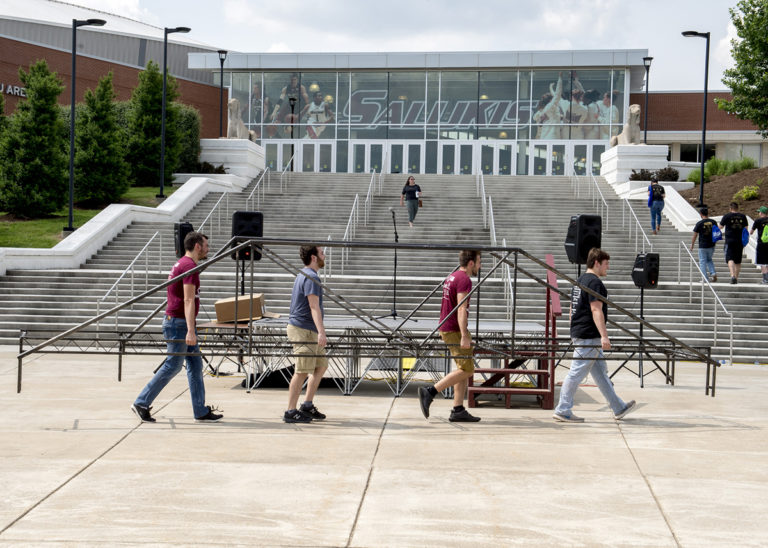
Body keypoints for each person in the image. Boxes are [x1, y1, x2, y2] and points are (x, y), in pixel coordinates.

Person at [131, 232, 222, 423]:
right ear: (197, 246)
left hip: (180, 322)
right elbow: (189, 299)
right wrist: (190, 330)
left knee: (195, 366)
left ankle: (200, 410)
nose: (208, 248)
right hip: (179, 324)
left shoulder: (182, 264)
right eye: (206, 245)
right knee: (173, 366)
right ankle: (141, 402)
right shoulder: (189, 266)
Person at [553, 248, 636, 423]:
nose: (608, 267)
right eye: (606, 264)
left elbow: (572, 309)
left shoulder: (579, 281)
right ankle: (563, 409)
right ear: (596, 263)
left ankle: (618, 407)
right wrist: (604, 336)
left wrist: (573, 329)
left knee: (600, 374)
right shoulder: (594, 283)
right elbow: (596, 309)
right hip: (589, 335)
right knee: (576, 373)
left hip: (582, 332)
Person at [418, 250, 482, 423]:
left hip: (448, 326)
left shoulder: (452, 276)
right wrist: (464, 335)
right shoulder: (464, 279)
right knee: (468, 370)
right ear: (471, 263)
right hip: (454, 329)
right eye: (479, 262)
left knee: (463, 368)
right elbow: (461, 308)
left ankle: (458, 409)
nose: (480, 266)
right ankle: (430, 391)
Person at [284, 245, 329, 423]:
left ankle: (307, 405)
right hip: (303, 329)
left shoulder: (306, 274)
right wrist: (322, 332)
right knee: (302, 370)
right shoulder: (311, 277)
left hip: (308, 329)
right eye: (322, 253)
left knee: (321, 366)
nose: (324, 256)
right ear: (313, 257)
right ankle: (290, 411)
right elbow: (313, 306)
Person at [719, 201, 749, 284]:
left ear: (730, 208)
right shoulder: (743, 216)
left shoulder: (727, 216)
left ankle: (732, 276)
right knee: (738, 261)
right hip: (740, 241)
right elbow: (746, 228)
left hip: (729, 240)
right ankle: (736, 278)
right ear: (737, 208)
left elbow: (720, 227)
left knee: (730, 258)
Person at [691, 207, 718, 282]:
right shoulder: (713, 222)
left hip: (703, 245)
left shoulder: (699, 223)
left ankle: (705, 278)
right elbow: (716, 233)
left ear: (701, 214)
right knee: (709, 259)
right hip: (711, 245)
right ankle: (713, 273)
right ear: (707, 213)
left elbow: (695, 235)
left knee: (702, 261)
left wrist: (692, 245)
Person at [749, 205, 768, 284]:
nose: (759, 213)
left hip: (761, 244)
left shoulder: (758, 221)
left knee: (762, 262)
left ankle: (765, 279)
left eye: (759, 212)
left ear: (761, 213)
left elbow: (751, 232)